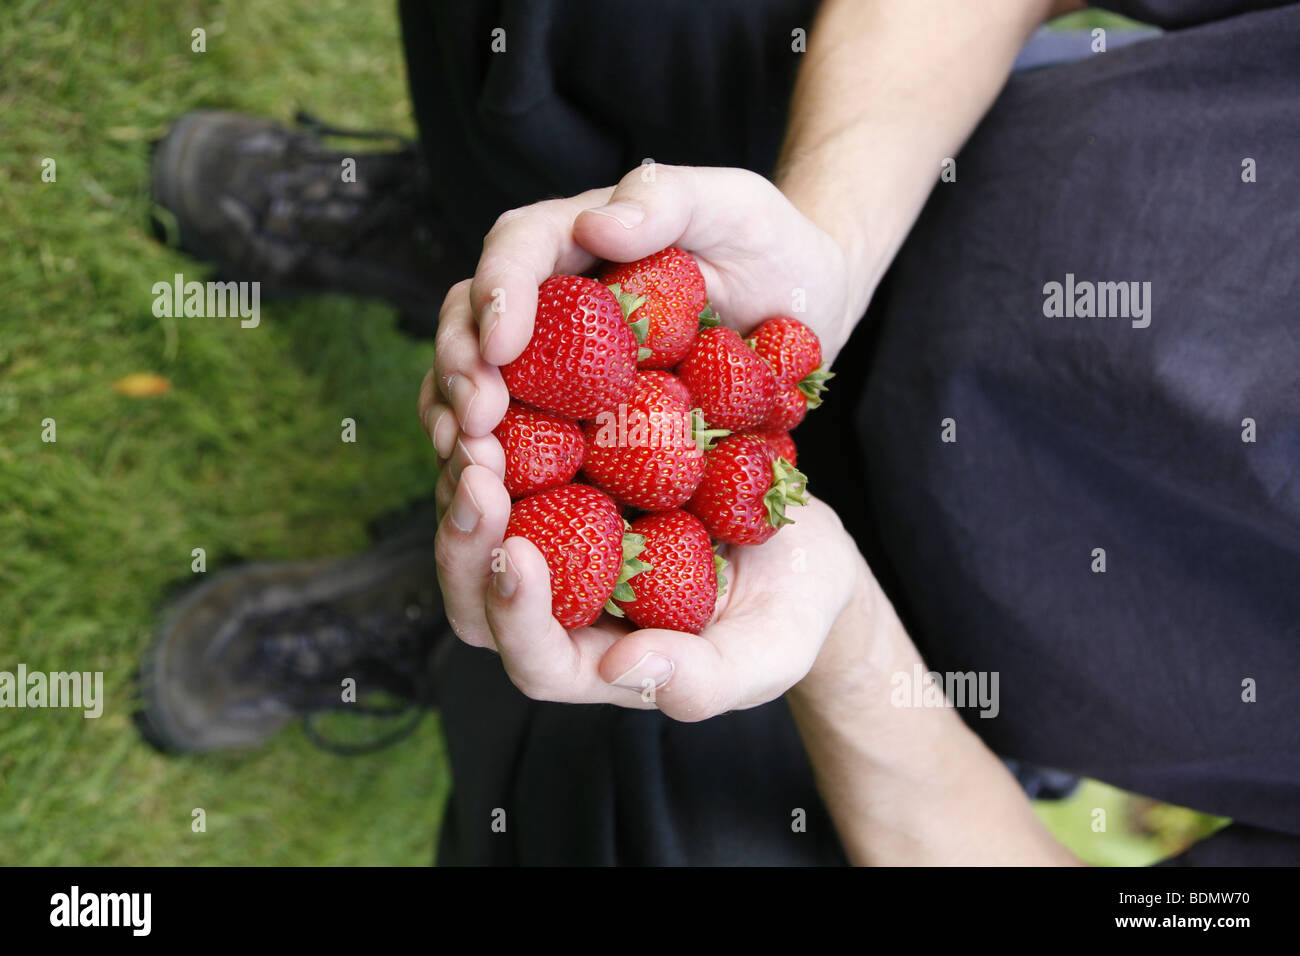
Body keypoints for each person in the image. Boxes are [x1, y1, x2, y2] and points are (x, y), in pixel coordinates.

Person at [138, 0, 1300, 864]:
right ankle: (462, 227)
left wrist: (837, 639)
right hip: (875, 195)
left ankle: (494, 607)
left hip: (914, 669)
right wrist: (828, 241)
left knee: (637, 806)